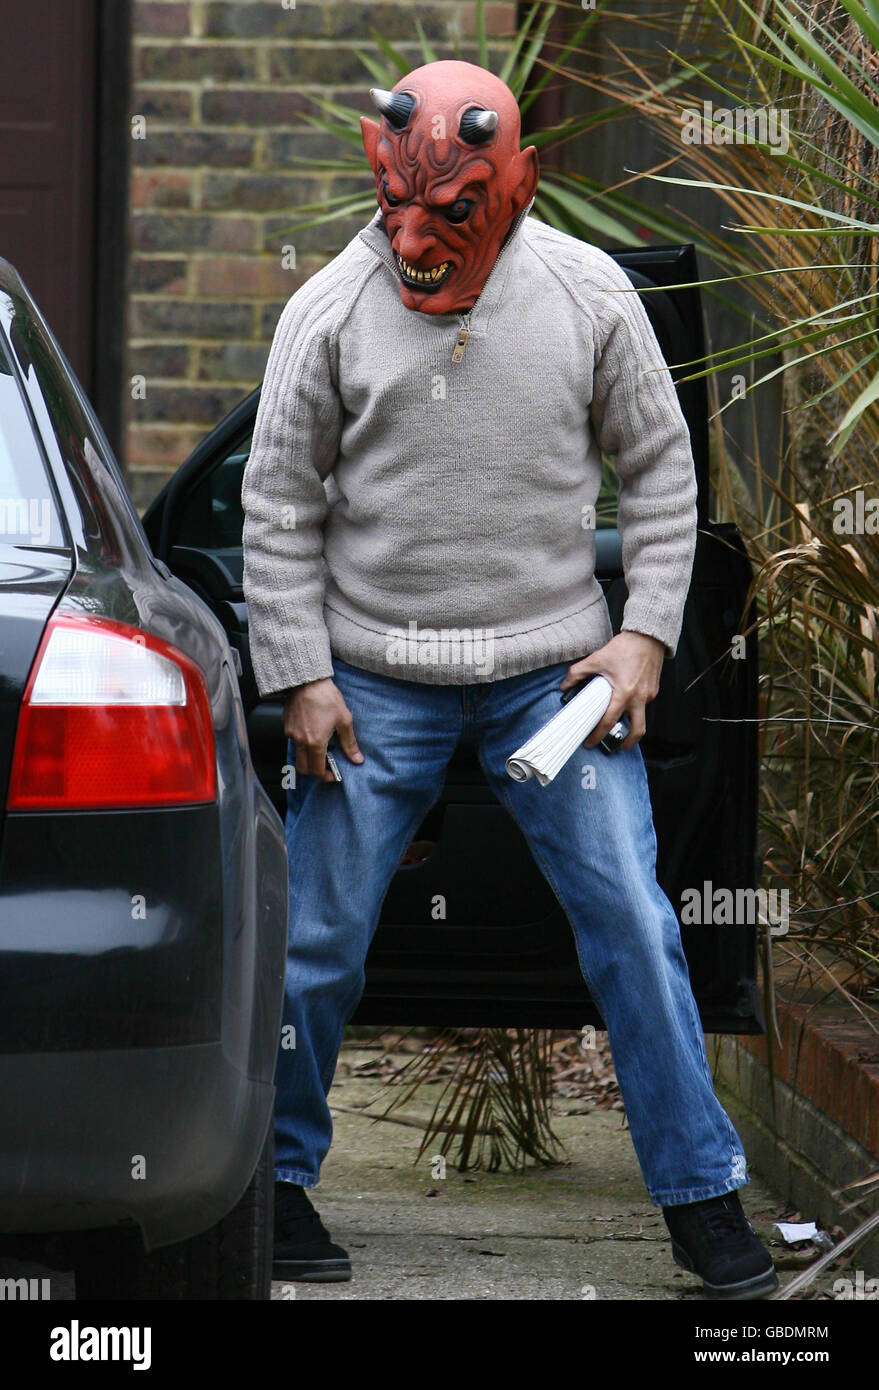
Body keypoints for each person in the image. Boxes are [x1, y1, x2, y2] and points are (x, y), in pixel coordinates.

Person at [241, 60, 777, 1301]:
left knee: (637, 928)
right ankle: (272, 1187)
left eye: (452, 215)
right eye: (397, 213)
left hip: (554, 676)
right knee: (316, 935)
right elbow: (275, 503)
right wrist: (301, 672)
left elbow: (659, 473)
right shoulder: (325, 310)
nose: (416, 245)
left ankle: (702, 1198)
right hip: (373, 677)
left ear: (519, 184)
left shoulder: (589, 298)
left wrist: (644, 635)